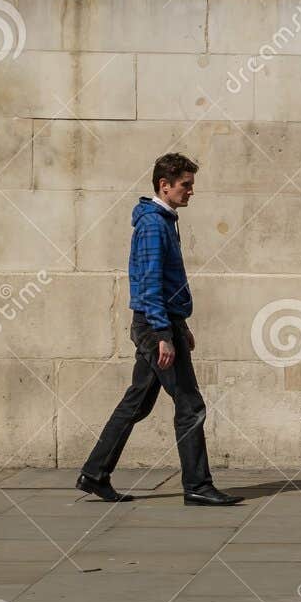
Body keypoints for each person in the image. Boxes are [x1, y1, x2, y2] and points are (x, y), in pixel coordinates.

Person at [77, 153, 242, 506]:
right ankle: (197, 485)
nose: (191, 191)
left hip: (164, 321)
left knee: (136, 403)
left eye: (191, 185)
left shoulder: (164, 220)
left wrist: (180, 326)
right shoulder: (154, 224)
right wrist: (165, 334)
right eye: (185, 185)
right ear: (163, 185)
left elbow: (162, 283)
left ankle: (94, 473)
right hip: (156, 325)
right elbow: (149, 283)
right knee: (191, 405)